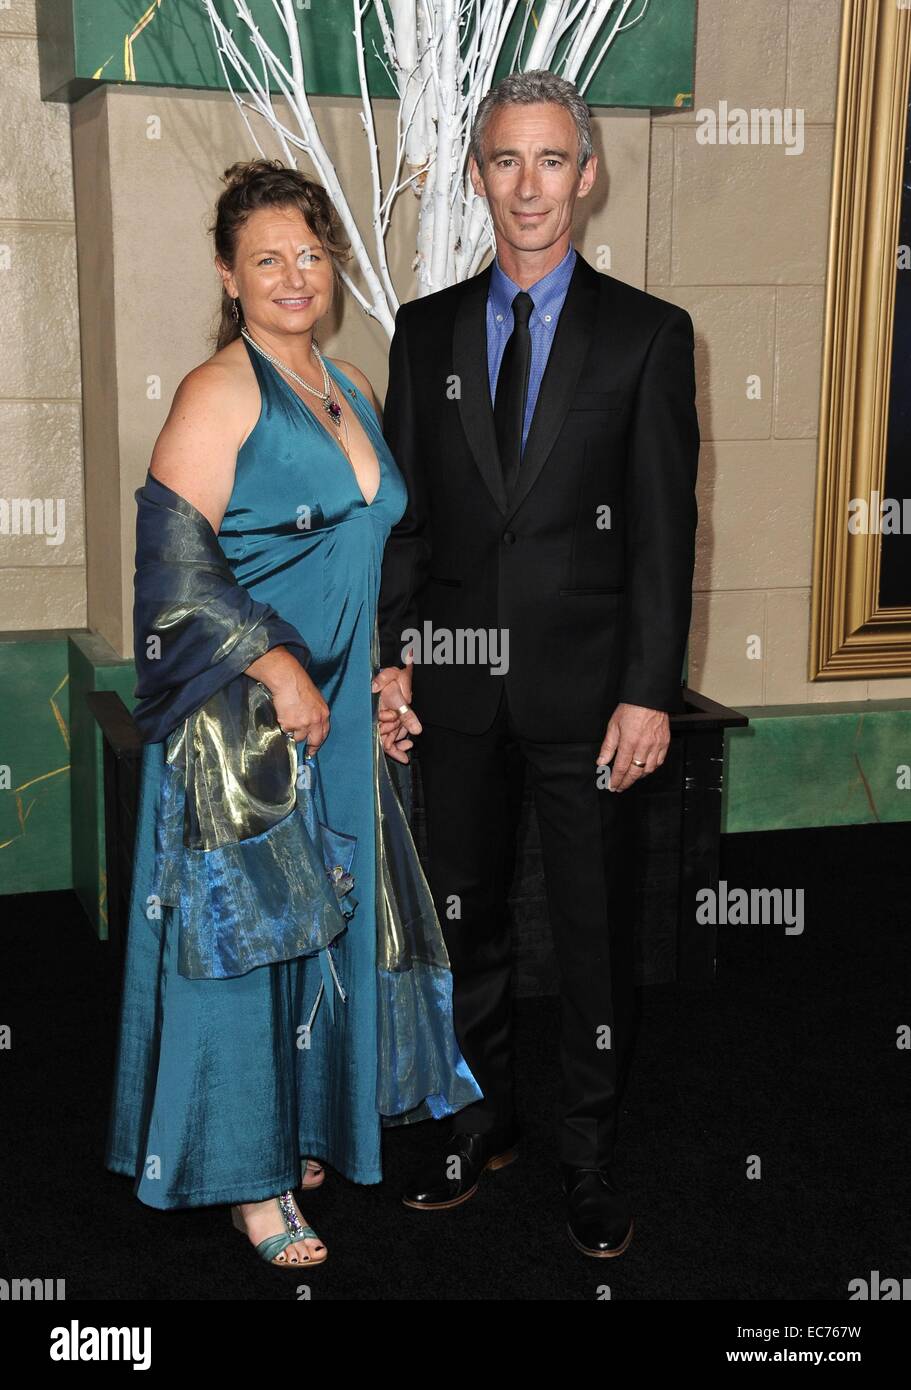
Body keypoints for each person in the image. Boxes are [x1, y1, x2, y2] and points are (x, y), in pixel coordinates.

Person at [105, 159, 481, 1269]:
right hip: (244, 722)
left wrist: (385, 671)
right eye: (265, 257)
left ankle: (305, 1133)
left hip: (342, 707)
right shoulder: (218, 391)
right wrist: (276, 666)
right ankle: (250, 1182)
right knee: (248, 938)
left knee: (330, 929)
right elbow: (172, 571)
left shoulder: (351, 382)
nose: (292, 274)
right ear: (227, 272)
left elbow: (371, 552)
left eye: (309, 254)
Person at [374, 70, 700, 1257]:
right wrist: (394, 663)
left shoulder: (648, 335)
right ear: (476, 175)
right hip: (456, 684)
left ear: (587, 173)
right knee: (467, 926)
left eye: (551, 159)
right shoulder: (425, 331)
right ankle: (478, 1123)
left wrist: (647, 688)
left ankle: (589, 1154)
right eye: (504, 161)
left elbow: (666, 531)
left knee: (592, 928)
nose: (527, 186)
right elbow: (407, 523)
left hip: (589, 695)